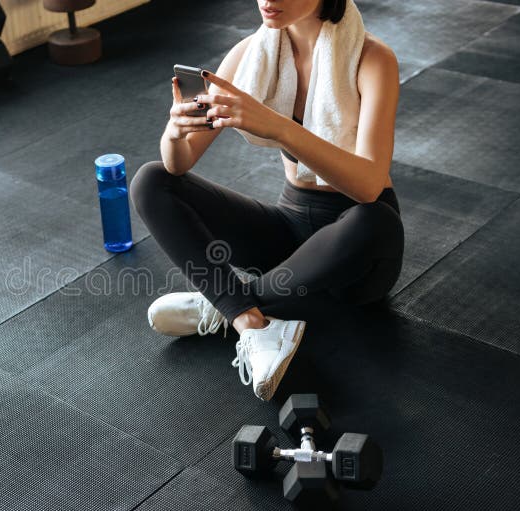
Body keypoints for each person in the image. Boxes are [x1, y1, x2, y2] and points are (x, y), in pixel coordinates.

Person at [129, 0, 404, 402]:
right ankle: (247, 314)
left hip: (358, 257)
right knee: (150, 180)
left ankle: (228, 305)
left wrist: (276, 127)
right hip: (291, 228)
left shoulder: (373, 60)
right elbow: (179, 163)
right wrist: (173, 133)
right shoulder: (249, 55)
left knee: (374, 220)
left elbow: (368, 186)